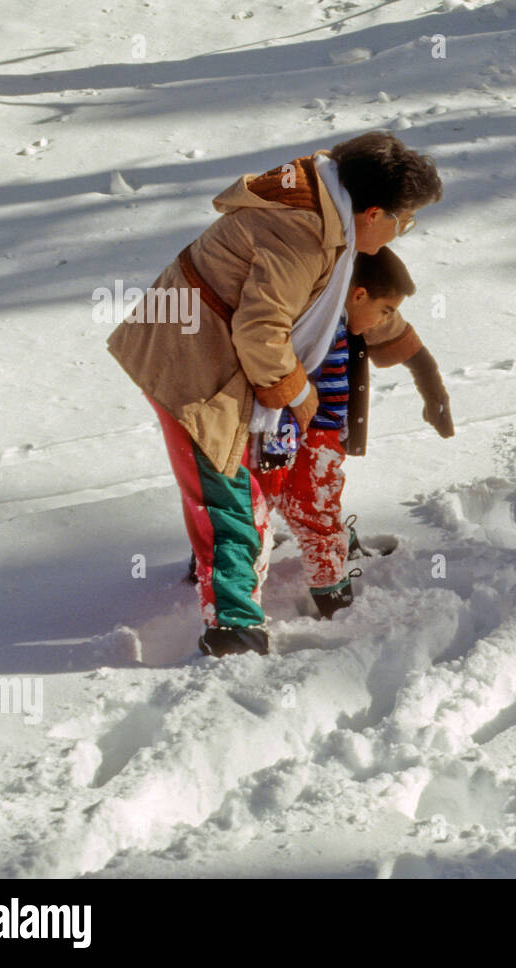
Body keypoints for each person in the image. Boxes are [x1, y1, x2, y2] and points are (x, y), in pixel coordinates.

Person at [106, 131, 444, 657]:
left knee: (243, 485)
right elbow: (260, 331)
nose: (404, 232)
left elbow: (365, 308)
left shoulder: (333, 222)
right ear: (374, 212)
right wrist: (297, 393)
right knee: (230, 497)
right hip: (195, 367)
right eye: (406, 220)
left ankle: (216, 574)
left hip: (217, 358)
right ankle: (233, 631)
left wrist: (419, 361)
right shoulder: (304, 230)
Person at [252, 247, 452, 621]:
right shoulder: (318, 323)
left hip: (291, 437)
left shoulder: (338, 312)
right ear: (358, 293)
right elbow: (284, 381)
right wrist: (285, 435)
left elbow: (391, 329)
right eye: (385, 310)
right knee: (317, 518)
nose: (384, 320)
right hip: (308, 438)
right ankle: (335, 602)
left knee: (276, 504)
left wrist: (430, 382)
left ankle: (229, 558)